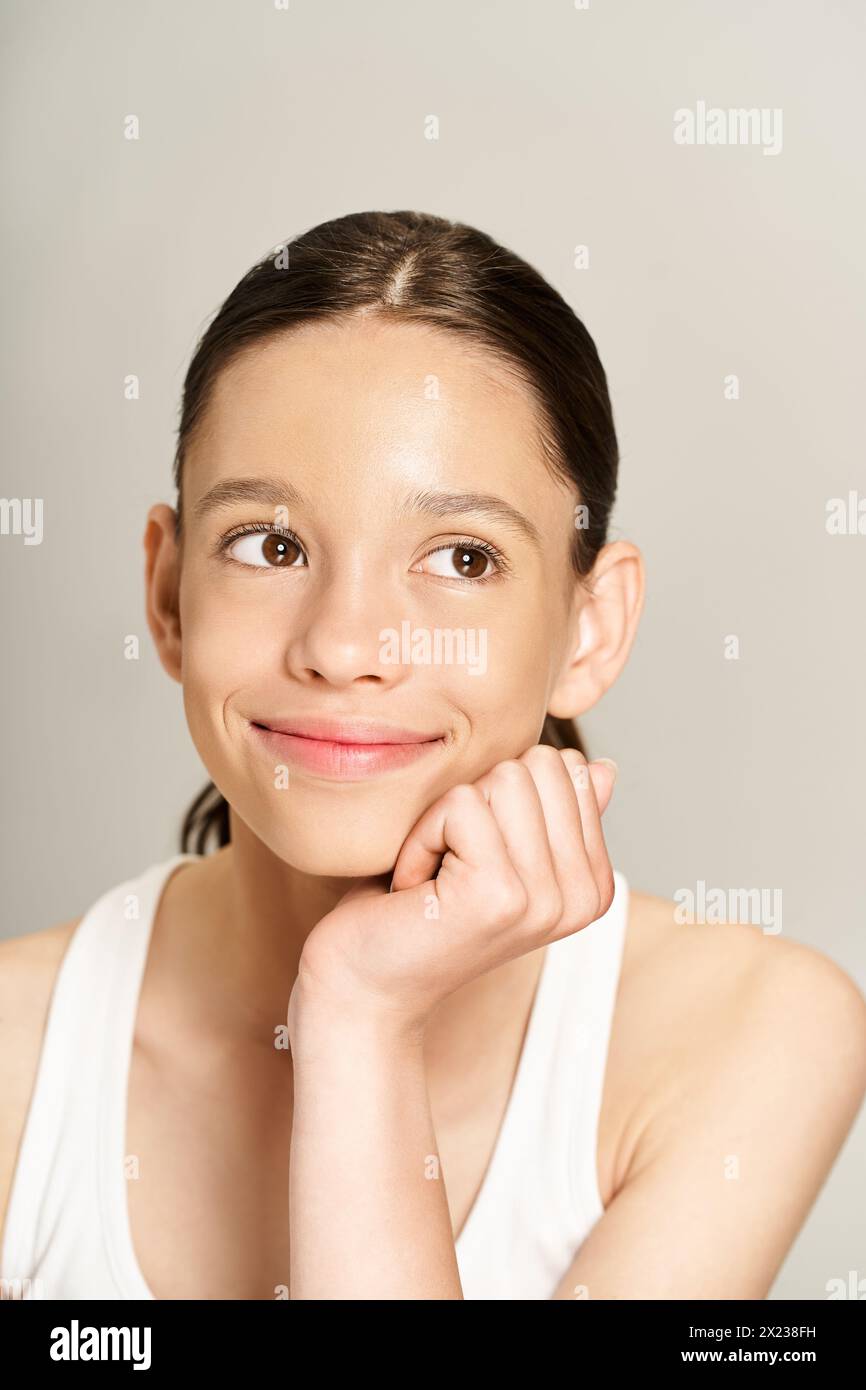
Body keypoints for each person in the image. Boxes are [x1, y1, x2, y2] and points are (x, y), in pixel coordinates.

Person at [2, 210, 864, 1301]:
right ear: (169, 594)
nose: (345, 646)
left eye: (461, 557)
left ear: (588, 629)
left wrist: (358, 1019)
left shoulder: (752, 1029)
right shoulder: (17, 1054)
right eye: (270, 545)